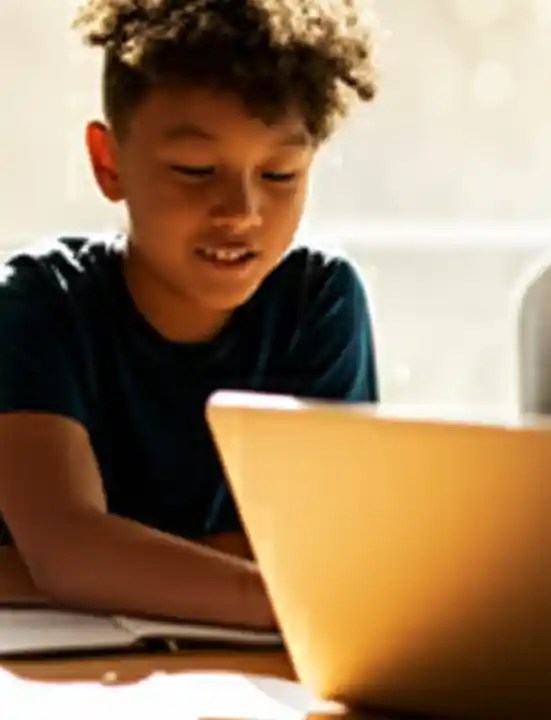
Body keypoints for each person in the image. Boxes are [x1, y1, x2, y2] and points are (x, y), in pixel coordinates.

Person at [0, 0, 379, 630]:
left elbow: (320, 554)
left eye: (281, 173)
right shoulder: (38, 304)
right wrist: (289, 600)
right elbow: (68, 550)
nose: (241, 211)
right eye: (195, 171)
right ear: (108, 161)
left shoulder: (319, 300)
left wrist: (64, 565)